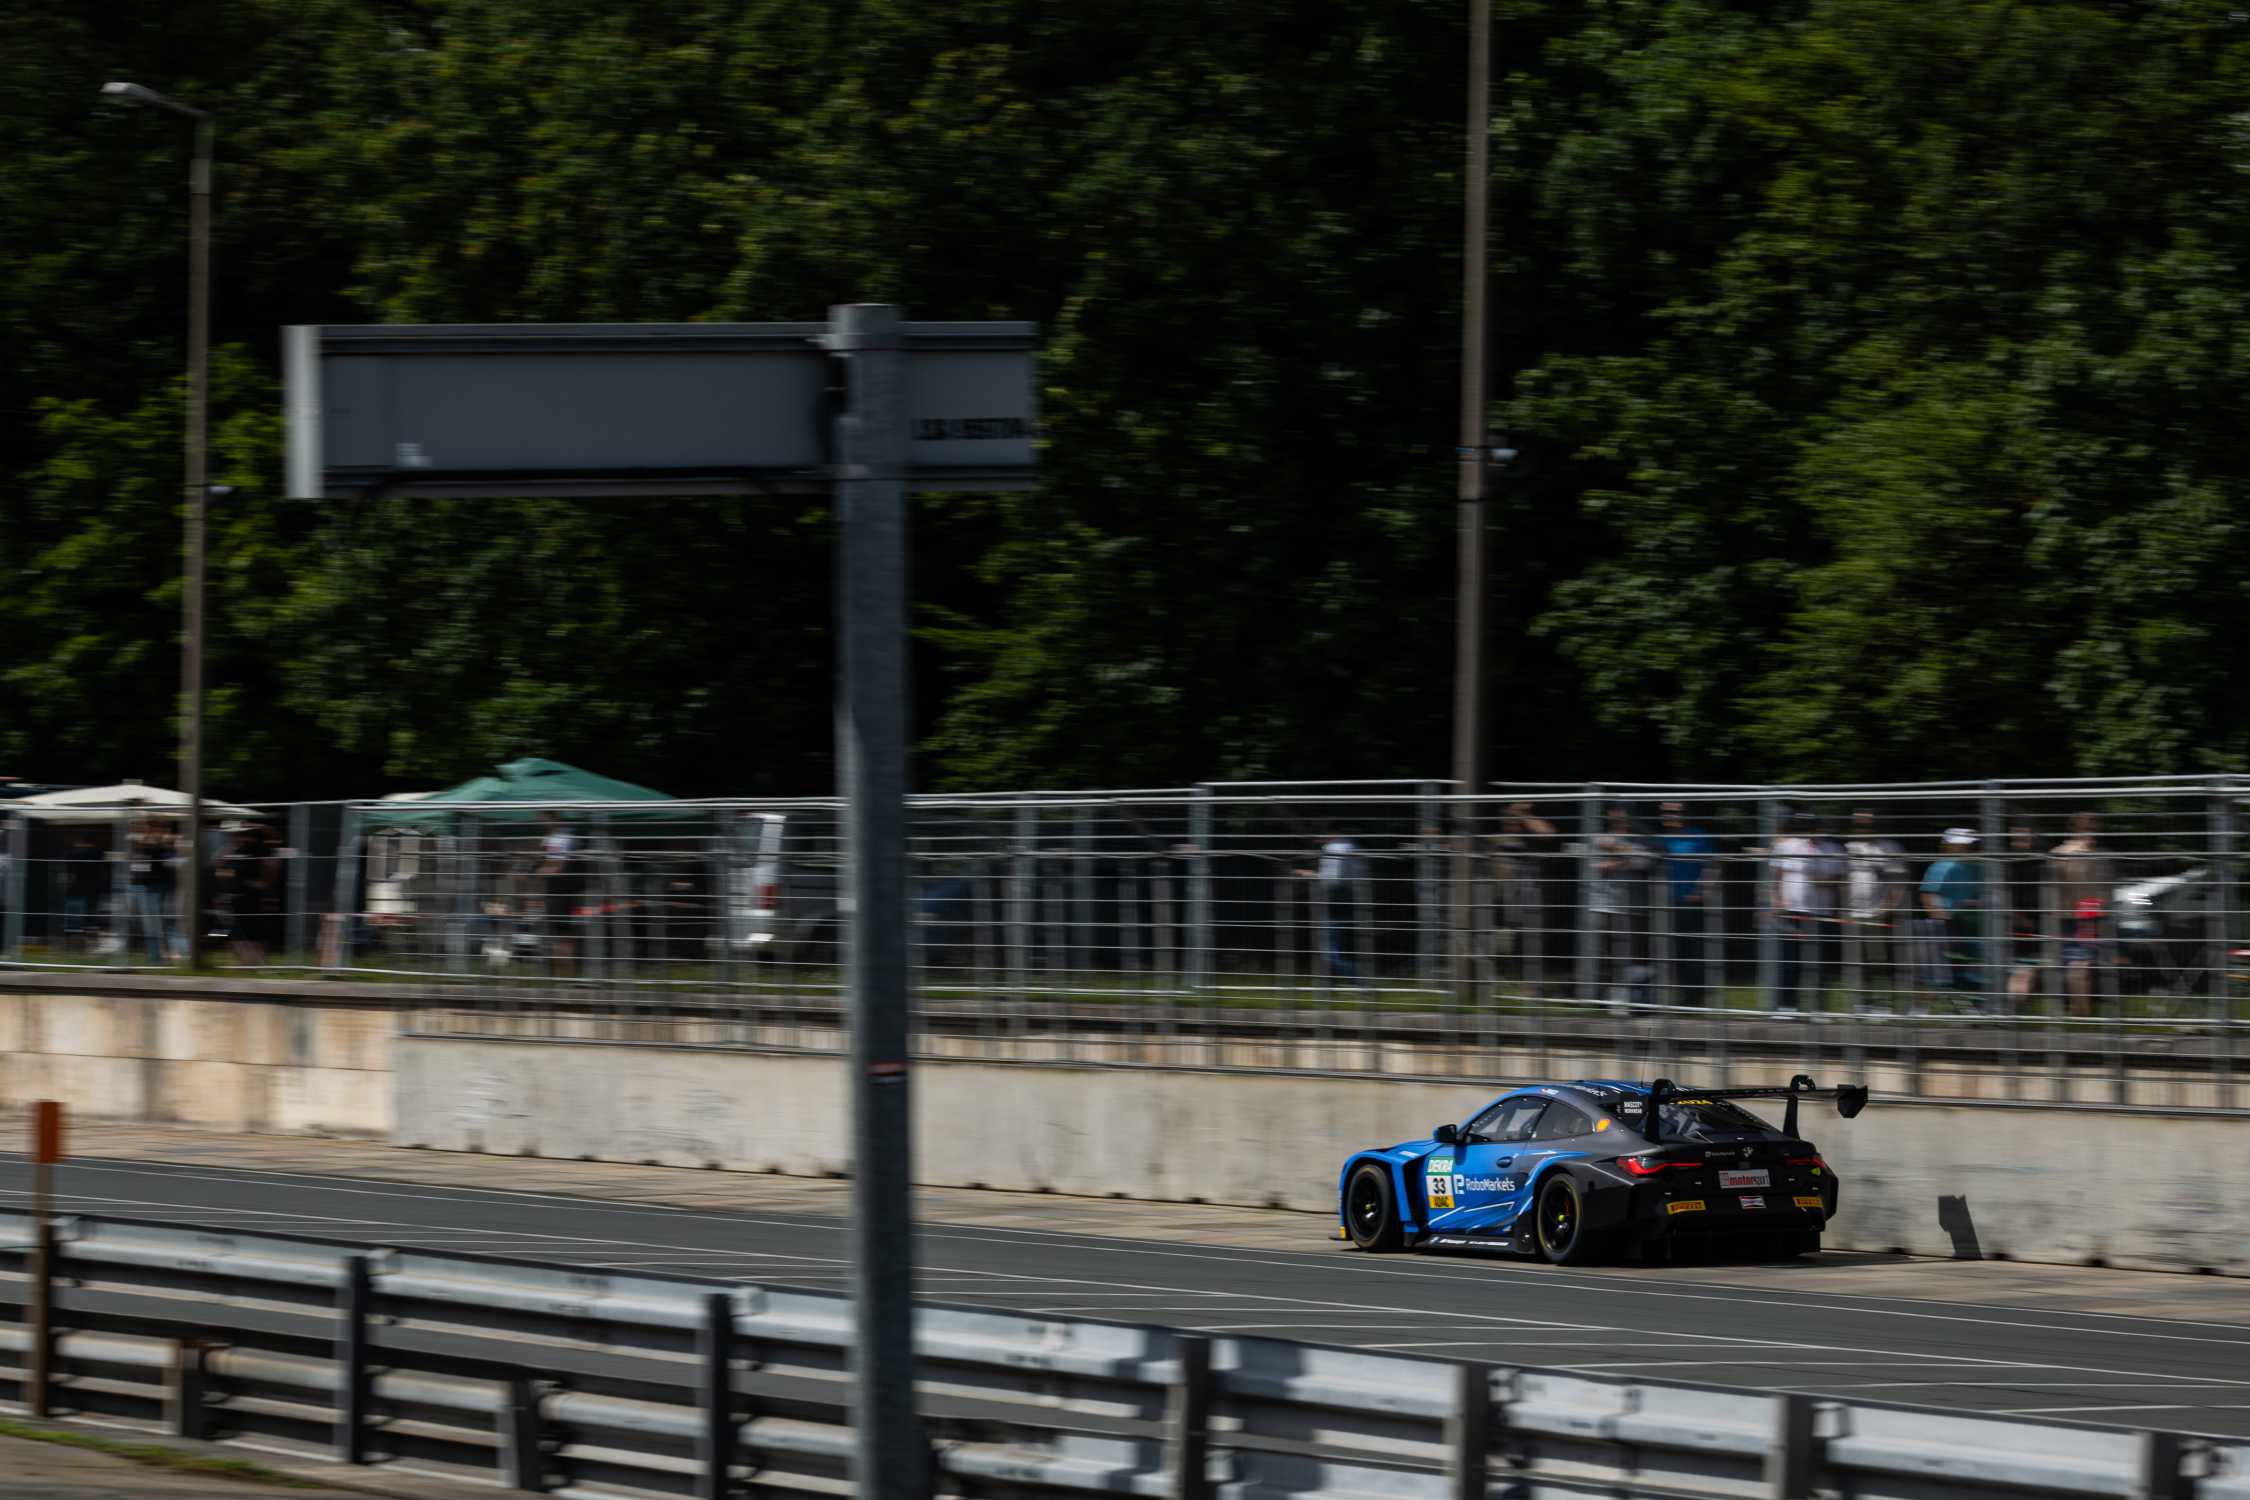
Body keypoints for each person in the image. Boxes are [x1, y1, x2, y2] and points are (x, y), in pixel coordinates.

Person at [1770, 811, 1843, 1015]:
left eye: (1814, 827)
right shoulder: (1785, 846)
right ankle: (1787, 1007)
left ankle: (1817, 1010)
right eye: (1806, 828)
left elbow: (1838, 881)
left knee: (1818, 964)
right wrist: (1776, 902)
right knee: (1789, 962)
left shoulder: (1833, 849)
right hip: (1792, 911)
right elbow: (1776, 877)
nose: (1811, 833)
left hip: (1822, 913)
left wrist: (1822, 881)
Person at [1843, 809, 1908, 1010]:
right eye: (1859, 825)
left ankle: (1883, 1003)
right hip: (1853, 914)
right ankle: (1861, 1003)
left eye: (1867, 825)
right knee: (1856, 961)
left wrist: (1888, 908)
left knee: (1880, 961)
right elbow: (1843, 880)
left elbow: (1899, 881)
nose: (1863, 829)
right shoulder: (1849, 847)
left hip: (1878, 913)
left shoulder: (1888, 847)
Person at [1589, 806, 1650, 1011]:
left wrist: (1615, 850)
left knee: (1629, 954)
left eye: (1623, 812)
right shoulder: (1598, 838)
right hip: (1604, 906)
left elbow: (1644, 862)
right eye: (1614, 811)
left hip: (1629, 907)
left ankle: (1628, 999)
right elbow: (1597, 867)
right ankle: (1604, 998)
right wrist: (1626, 859)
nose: (1618, 816)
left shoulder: (1638, 838)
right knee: (1606, 955)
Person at [1919, 828, 1988, 1009]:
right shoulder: (1941, 866)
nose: (1966, 848)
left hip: (1973, 927)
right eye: (1962, 844)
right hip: (1948, 926)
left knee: (1969, 970)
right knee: (1942, 973)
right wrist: (1941, 919)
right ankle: (1920, 1012)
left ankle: (1968, 1009)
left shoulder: (1977, 866)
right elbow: (1928, 895)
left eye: (1968, 844)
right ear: (1949, 845)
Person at [1657, 803, 1714, 1004]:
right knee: (1677, 949)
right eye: (1666, 813)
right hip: (1667, 904)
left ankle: (1696, 994)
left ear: (1684, 815)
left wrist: (1701, 891)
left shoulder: (1698, 835)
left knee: (1694, 948)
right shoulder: (1661, 839)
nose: (1669, 816)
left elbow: (1711, 866)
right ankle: (1685, 995)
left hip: (1691, 901)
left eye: (1673, 812)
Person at [1296, 833, 1368, 989]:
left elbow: (1330, 879)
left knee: (1328, 951)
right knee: (1333, 947)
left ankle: (1359, 980)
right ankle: (1332, 985)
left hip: (1335, 904)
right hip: (1348, 903)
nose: (1316, 839)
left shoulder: (1334, 847)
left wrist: (1306, 874)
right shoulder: (1351, 846)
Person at [2050, 812, 2105, 1017]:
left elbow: (2053, 890)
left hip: (2065, 916)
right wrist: (2089, 920)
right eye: (2092, 825)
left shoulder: (2058, 852)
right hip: (2084, 916)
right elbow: (2088, 889)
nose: (2095, 830)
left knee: (2074, 963)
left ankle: (2077, 1011)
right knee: (2081, 965)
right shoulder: (2087, 853)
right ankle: (2081, 1014)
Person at [126, 817, 180, 965]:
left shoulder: (166, 843)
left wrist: (165, 842)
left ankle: (168, 955)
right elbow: (136, 843)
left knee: (166, 922)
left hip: (165, 886)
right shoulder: (139, 841)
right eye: (155, 828)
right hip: (148, 887)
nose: (160, 832)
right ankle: (155, 958)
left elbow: (173, 855)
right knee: (152, 924)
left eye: (163, 829)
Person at [2003, 823, 2044, 1011]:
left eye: (2024, 837)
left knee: (2026, 971)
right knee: (2023, 972)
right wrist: (2016, 916)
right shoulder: (2008, 864)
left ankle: (2017, 1011)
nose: (2020, 842)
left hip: (2040, 927)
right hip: (2019, 929)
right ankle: (2015, 1012)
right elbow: (2004, 896)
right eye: (2016, 838)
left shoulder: (2041, 862)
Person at [537, 813, 585, 975]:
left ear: (552, 817)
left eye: (542, 817)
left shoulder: (562, 837)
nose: (539, 821)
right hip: (556, 890)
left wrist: (540, 872)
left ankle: (565, 971)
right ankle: (562, 972)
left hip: (561, 890)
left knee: (562, 931)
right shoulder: (553, 836)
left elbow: (557, 865)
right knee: (559, 931)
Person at [61, 830, 107, 954]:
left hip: (76, 888)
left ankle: (73, 942)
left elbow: (68, 862)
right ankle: (88, 942)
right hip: (93, 888)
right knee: (90, 915)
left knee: (75, 916)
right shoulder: (98, 852)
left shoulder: (73, 852)